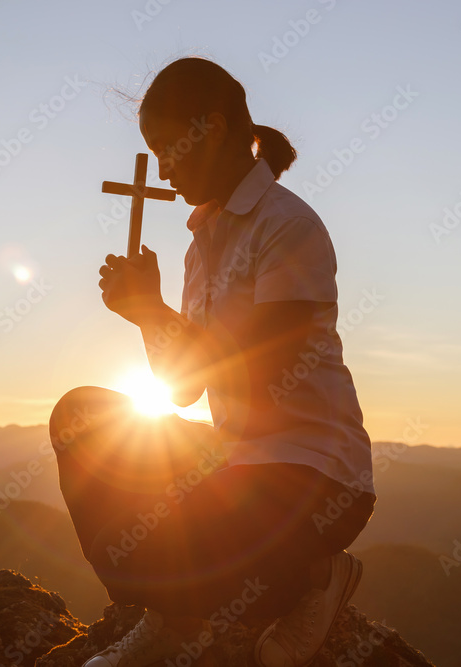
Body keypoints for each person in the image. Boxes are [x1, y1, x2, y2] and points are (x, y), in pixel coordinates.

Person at [49, 57, 376, 667]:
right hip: (236, 459)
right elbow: (184, 392)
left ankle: (317, 578)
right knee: (80, 417)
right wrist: (149, 315)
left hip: (312, 473)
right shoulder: (203, 244)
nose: (162, 166)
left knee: (159, 550)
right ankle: (172, 619)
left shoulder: (289, 226)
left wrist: (157, 311)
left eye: (167, 147)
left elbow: (264, 376)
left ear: (215, 128)